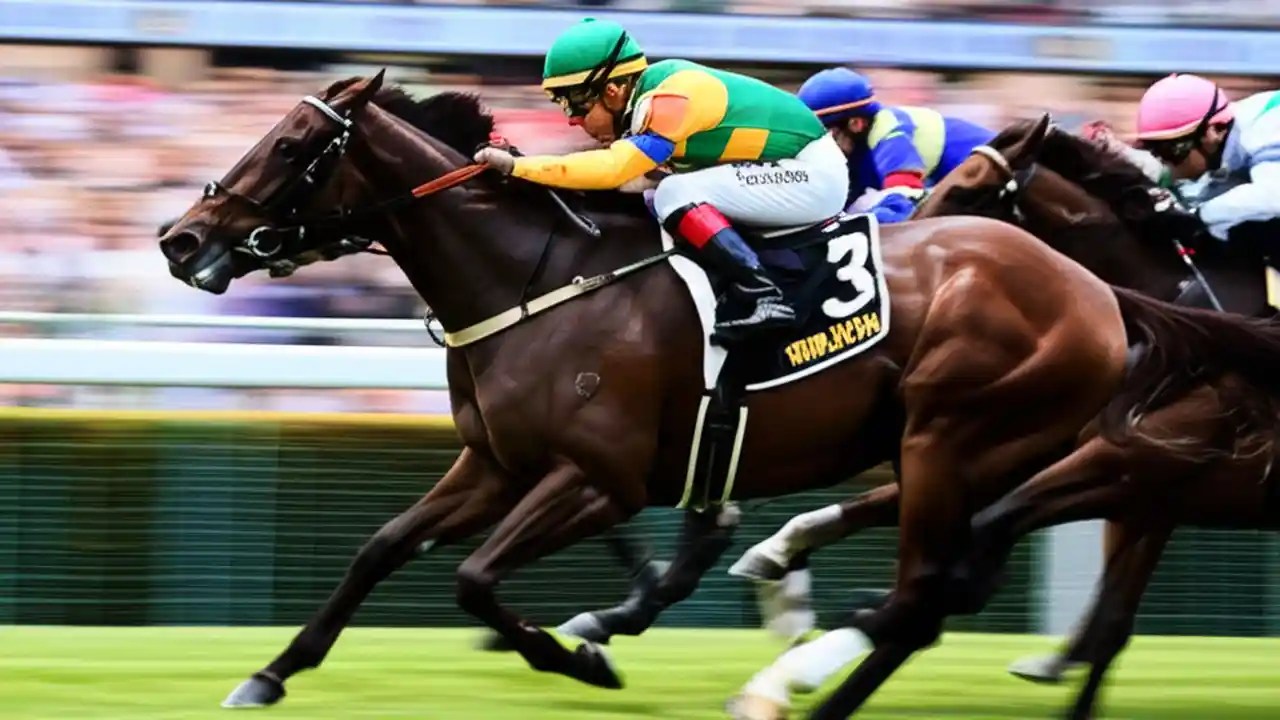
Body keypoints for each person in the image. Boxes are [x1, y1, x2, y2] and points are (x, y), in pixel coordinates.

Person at [474, 18, 849, 340]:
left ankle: (764, 294)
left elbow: (613, 169)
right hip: (788, 171)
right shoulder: (646, 102)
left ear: (613, 90)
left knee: (673, 192)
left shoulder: (672, 98)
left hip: (814, 175)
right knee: (656, 195)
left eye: (576, 103)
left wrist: (519, 168)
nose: (572, 119)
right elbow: (622, 183)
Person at [796, 67, 995, 223]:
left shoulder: (890, 133)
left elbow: (903, 206)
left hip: (995, 170)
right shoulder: (852, 148)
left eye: (825, 133)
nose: (819, 143)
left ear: (855, 124)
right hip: (949, 182)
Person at [1128, 73, 1280, 244]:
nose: (1166, 162)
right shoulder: (1230, 141)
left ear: (1214, 131)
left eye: (1171, 150)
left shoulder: (1267, 129)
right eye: (1155, 151)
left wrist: (1199, 216)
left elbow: (1273, 196)